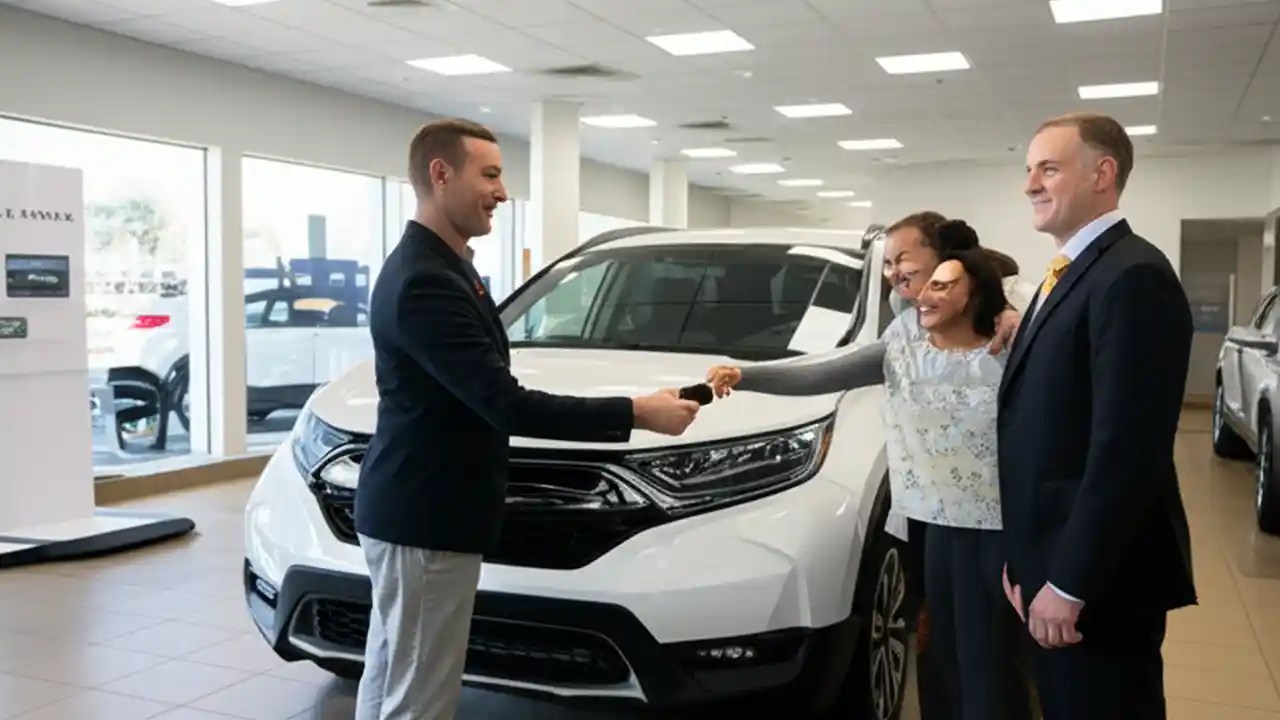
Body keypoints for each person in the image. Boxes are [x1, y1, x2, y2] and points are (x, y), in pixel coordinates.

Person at [352, 118, 702, 720]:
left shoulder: (447, 266)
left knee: (394, 673)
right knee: (420, 694)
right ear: (440, 175)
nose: (502, 192)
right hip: (425, 521)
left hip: (420, 515)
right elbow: (504, 402)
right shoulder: (425, 282)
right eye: (489, 174)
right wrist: (637, 412)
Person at [706, 224, 1034, 720]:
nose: (897, 272)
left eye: (907, 258)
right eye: (889, 262)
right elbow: (827, 372)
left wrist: (1015, 318)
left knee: (990, 657)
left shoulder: (1012, 338)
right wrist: (748, 376)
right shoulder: (903, 342)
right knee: (940, 651)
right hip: (929, 521)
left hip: (994, 524)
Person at [997, 112, 1196, 719]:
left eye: (1048, 168)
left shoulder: (1132, 275)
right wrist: (1027, 559)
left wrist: (1070, 582)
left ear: (1102, 173)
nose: (1030, 183)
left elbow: (1125, 452)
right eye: (1028, 168)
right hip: (1051, 560)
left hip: (1098, 586)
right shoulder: (1067, 274)